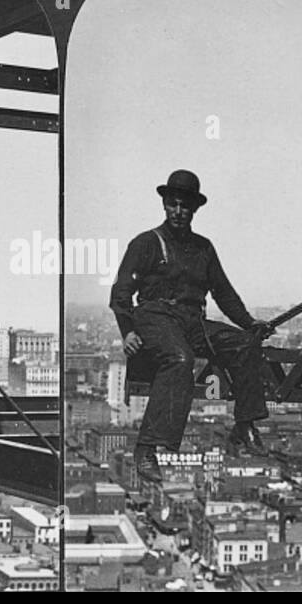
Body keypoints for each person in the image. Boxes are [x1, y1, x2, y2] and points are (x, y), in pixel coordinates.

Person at [109, 170, 274, 484]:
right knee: (180, 358)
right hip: (155, 318)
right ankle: (146, 449)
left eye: (184, 206)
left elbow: (223, 292)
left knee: (245, 344)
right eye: (173, 204)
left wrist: (249, 324)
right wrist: (127, 330)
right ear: (164, 205)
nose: (178, 211)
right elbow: (121, 293)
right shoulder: (146, 243)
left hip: (191, 320)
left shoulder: (203, 248)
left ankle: (245, 424)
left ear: (194, 209)